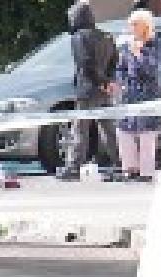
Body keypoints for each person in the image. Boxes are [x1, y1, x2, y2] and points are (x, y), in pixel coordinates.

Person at [60, 0, 119, 181]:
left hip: (87, 88)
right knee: (109, 129)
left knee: (80, 130)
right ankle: (121, 163)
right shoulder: (107, 36)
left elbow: (85, 63)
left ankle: (72, 168)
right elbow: (114, 61)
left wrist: (98, 81)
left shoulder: (79, 37)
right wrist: (107, 81)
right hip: (104, 90)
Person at [114, 9, 161, 182]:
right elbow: (120, 67)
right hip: (130, 92)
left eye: (135, 24)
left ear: (145, 26)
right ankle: (130, 168)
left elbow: (151, 68)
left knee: (146, 132)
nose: (131, 27)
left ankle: (147, 171)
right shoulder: (128, 43)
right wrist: (121, 82)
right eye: (130, 24)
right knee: (124, 130)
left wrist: (138, 53)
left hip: (147, 92)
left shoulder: (154, 43)